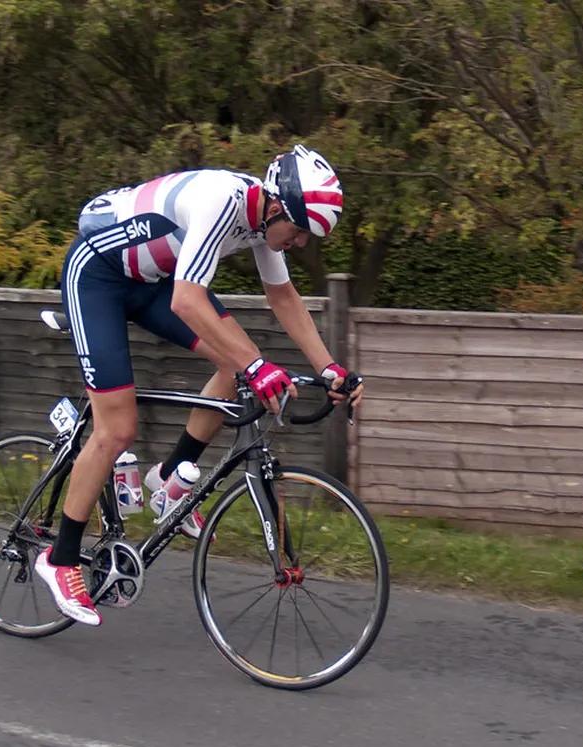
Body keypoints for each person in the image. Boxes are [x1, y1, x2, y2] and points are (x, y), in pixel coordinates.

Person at [34, 144, 365, 625]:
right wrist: (256, 363)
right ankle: (60, 559)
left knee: (238, 366)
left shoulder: (260, 222)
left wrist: (331, 368)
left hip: (155, 279)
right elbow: (188, 303)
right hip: (100, 276)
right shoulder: (221, 200)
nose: (298, 244)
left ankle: (171, 478)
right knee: (118, 429)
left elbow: (284, 297)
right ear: (277, 206)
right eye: (299, 232)